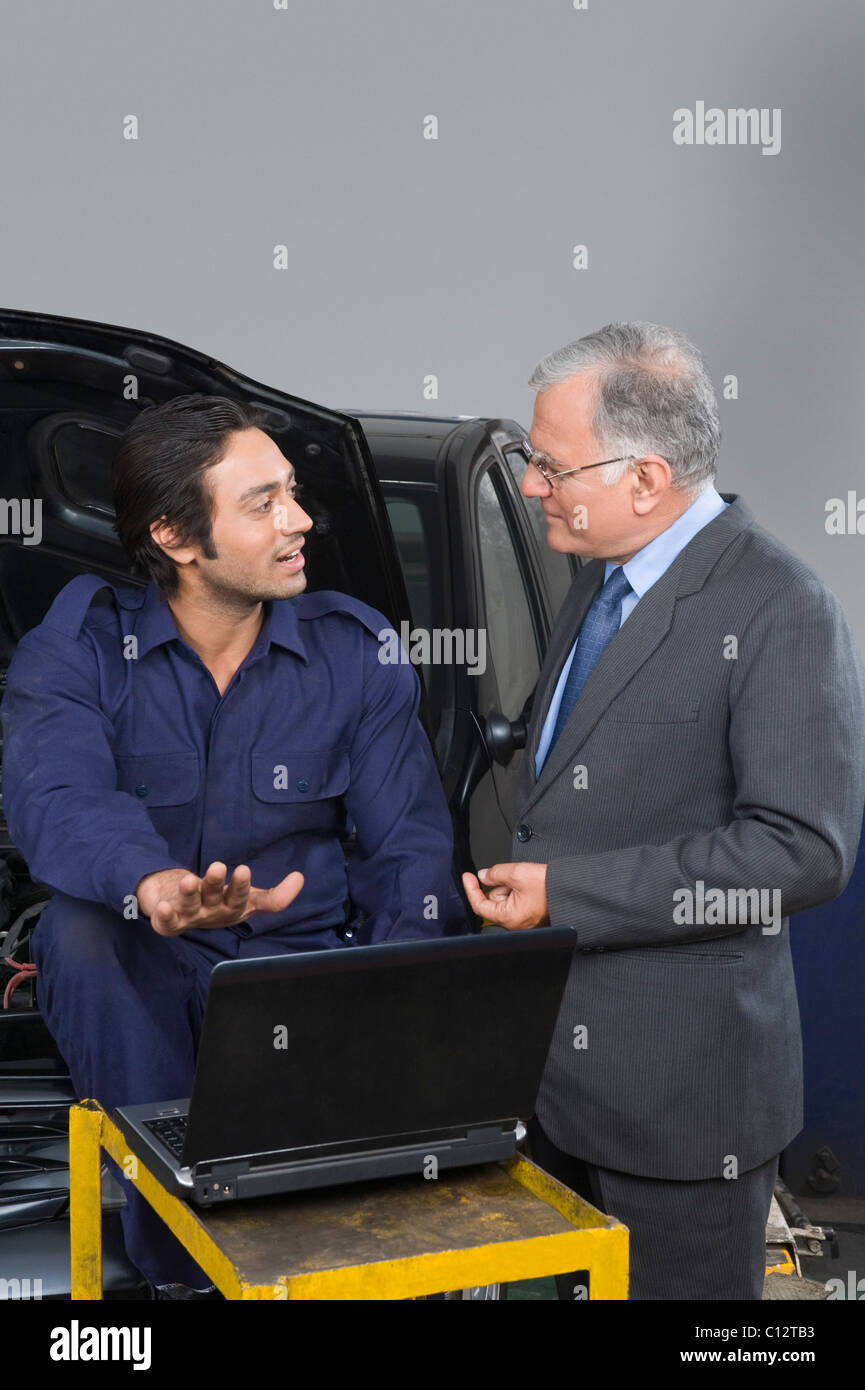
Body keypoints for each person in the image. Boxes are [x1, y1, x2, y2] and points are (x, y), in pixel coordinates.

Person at [2, 394, 463, 1297]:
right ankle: (185, 1264)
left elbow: (407, 850)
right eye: (261, 504)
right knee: (81, 933)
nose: (298, 522)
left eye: (292, 494)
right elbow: (58, 795)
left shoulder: (353, 654)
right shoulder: (79, 653)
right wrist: (155, 883)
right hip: (150, 955)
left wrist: (401, 1014)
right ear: (176, 537)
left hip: (302, 962)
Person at [463, 321, 865, 1301]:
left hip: (685, 1099)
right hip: (554, 1078)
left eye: (549, 466)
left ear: (644, 479)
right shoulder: (596, 580)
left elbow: (800, 851)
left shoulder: (780, 606)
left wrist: (565, 892)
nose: (528, 485)